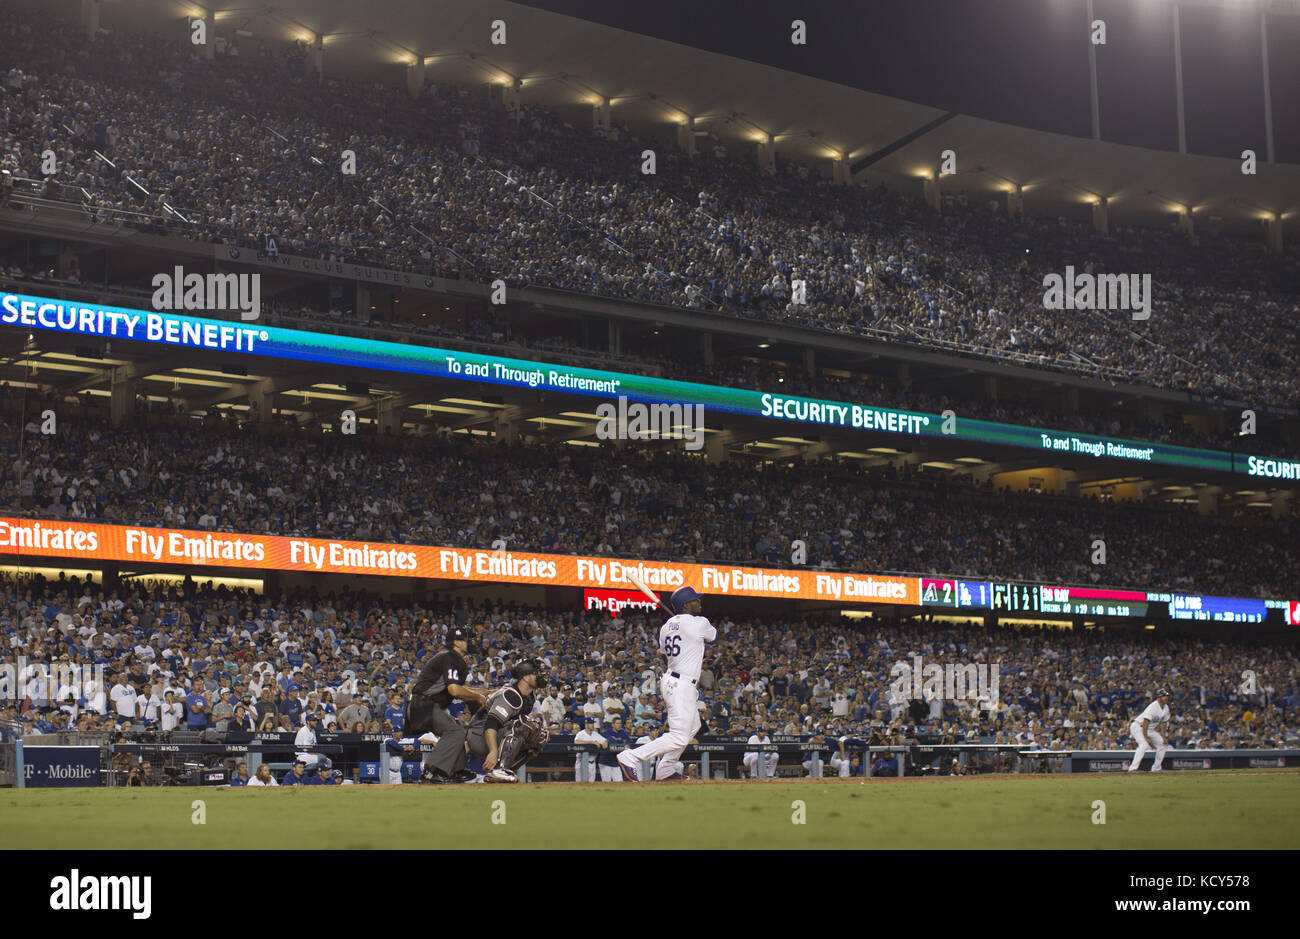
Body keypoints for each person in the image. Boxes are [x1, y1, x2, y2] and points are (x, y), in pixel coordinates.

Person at [617, 586, 715, 782]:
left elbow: (665, 652)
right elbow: (713, 637)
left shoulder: (665, 627)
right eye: (695, 600)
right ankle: (631, 757)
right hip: (682, 684)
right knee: (679, 736)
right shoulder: (699, 623)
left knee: (693, 725)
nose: (699, 602)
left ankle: (666, 769)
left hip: (673, 680)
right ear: (687, 604)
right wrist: (690, 628)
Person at [404, 627, 486, 784]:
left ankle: (456, 769)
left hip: (426, 705)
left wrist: (487, 692)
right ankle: (431, 769)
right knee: (455, 732)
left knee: (457, 731)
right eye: (469, 639)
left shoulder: (452, 657)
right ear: (457, 642)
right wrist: (478, 696)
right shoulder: (450, 657)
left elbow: (462, 689)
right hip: (423, 704)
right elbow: (454, 690)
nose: (473, 642)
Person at [465, 661, 548, 783]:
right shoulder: (511, 695)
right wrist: (493, 751)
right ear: (525, 676)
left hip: (496, 732)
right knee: (522, 724)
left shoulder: (530, 695)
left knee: (540, 735)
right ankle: (499, 769)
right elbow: (491, 724)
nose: (542, 675)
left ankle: (506, 770)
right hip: (479, 735)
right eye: (537, 673)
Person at [1128, 689, 1172, 773]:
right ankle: (1132, 768)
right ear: (1158, 697)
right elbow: (1145, 722)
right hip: (1138, 726)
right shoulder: (1153, 707)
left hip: (1149, 729)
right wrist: (1146, 737)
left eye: (1167, 696)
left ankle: (1156, 768)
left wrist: (1163, 736)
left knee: (1162, 743)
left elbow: (1164, 723)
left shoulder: (1166, 708)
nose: (1166, 697)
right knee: (1144, 744)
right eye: (1164, 696)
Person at [598, 715, 631, 782]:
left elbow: (629, 742)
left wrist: (620, 743)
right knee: (606, 784)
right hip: (605, 762)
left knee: (619, 782)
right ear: (612, 724)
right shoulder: (607, 732)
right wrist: (621, 742)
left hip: (615, 762)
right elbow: (612, 743)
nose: (619, 725)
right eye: (617, 723)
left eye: (620, 723)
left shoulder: (622, 732)